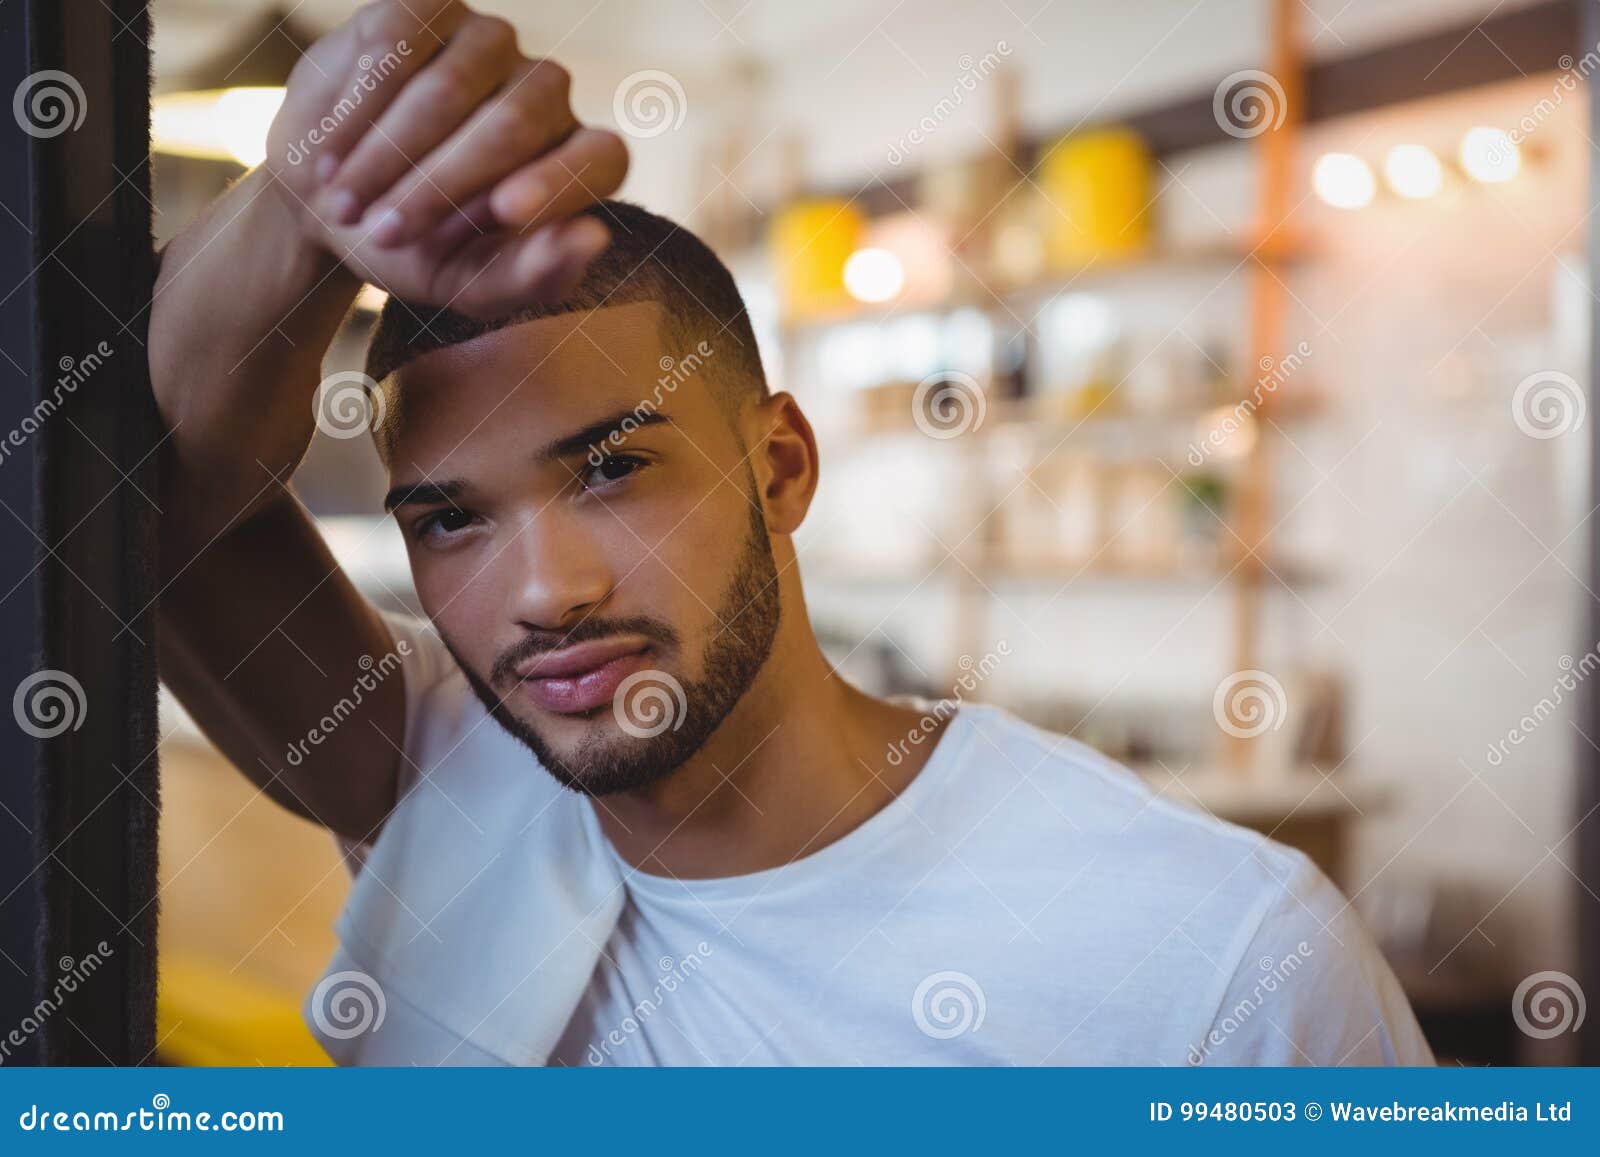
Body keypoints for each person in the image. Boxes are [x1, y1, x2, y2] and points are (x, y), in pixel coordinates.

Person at [150, 0, 1432, 1067]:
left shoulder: (1221, 963)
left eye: (612, 470)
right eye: (452, 519)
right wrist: (299, 205)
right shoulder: (440, 774)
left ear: (778, 466)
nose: (545, 590)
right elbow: (138, 494)